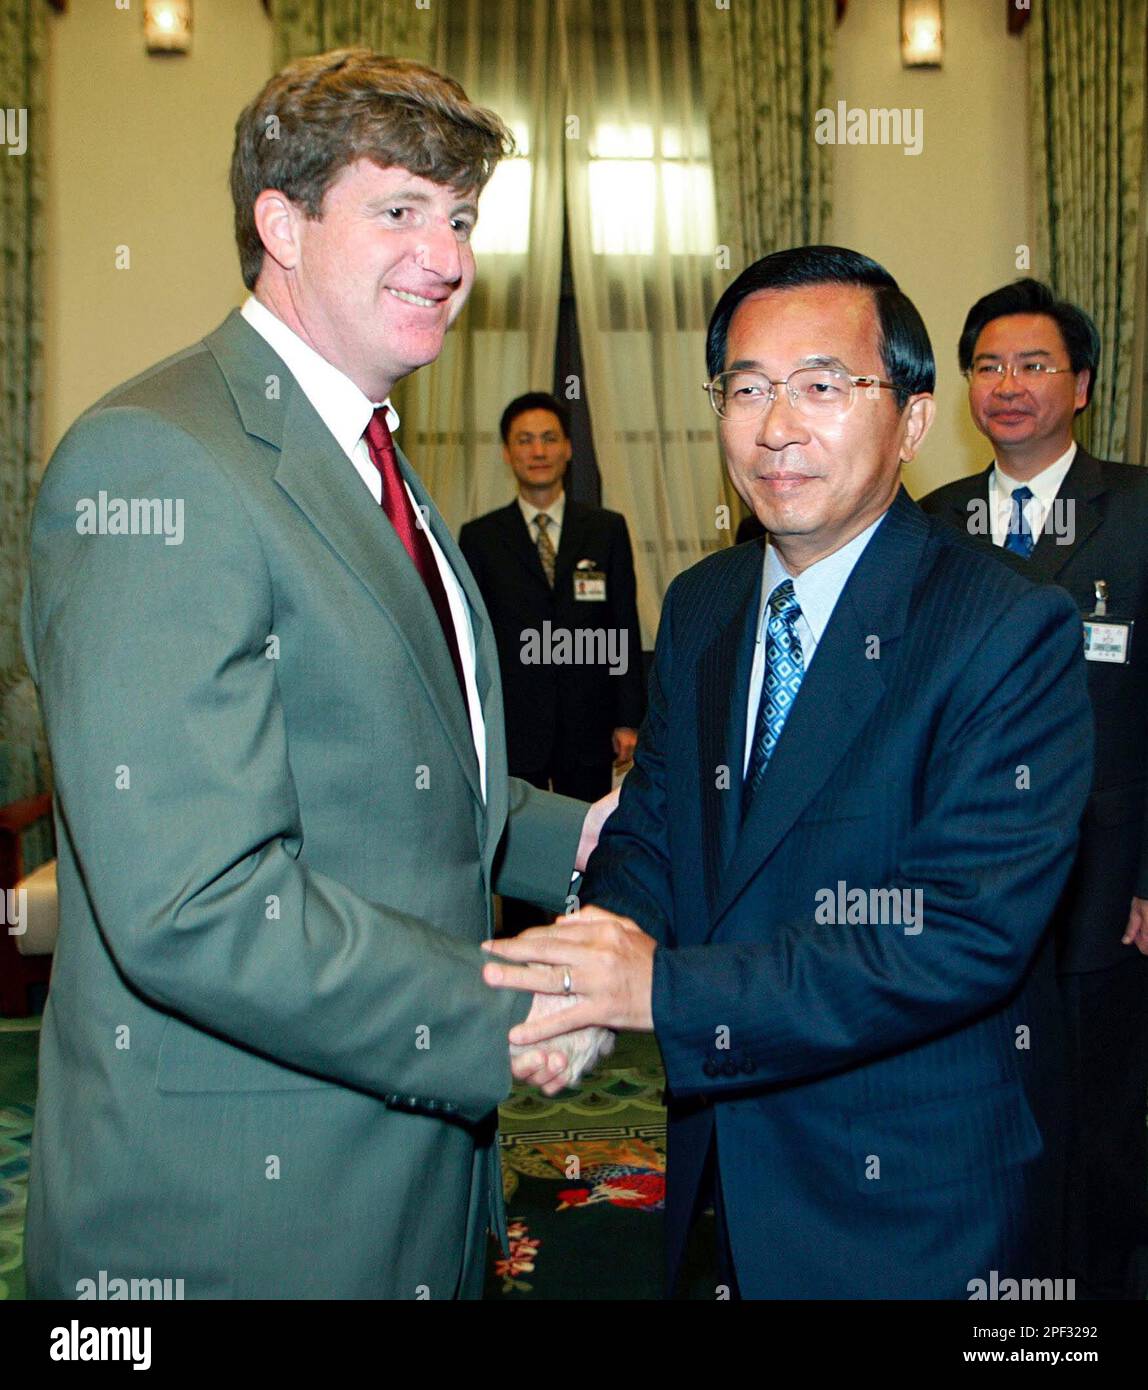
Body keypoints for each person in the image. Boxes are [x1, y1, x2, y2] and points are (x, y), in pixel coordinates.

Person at [20, 48, 613, 1301]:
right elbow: (198, 901)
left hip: (411, 1182)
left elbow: (409, 784)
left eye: (458, 218)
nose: (447, 257)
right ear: (279, 225)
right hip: (241, 1212)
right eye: (398, 209)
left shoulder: (375, 466)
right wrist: (514, 1004)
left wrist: (599, 842)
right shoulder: (155, 459)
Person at [482, 246, 1094, 1298]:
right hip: (708, 1168)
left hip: (904, 1201)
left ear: (907, 419)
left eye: (821, 386)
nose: (775, 426)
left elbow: (954, 933)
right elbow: (657, 823)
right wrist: (595, 958)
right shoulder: (705, 603)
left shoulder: (1003, 626)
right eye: (747, 389)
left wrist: (658, 988)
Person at [919, 278, 1148, 1300]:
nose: (1005, 386)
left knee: (1097, 1117)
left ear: (1082, 384)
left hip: (1107, 878)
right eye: (986, 365)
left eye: (1032, 364)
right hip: (959, 884)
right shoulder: (928, 524)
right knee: (977, 1105)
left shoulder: (1138, 510)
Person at [460, 392, 644, 934]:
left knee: (593, 841)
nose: (537, 451)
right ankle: (522, 962)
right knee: (517, 845)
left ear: (567, 449)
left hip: (589, 721)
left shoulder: (604, 529)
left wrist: (628, 716)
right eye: (524, 440)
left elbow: (623, 625)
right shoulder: (480, 537)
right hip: (515, 724)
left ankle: (591, 953)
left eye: (548, 438)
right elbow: (477, 641)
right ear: (507, 454)